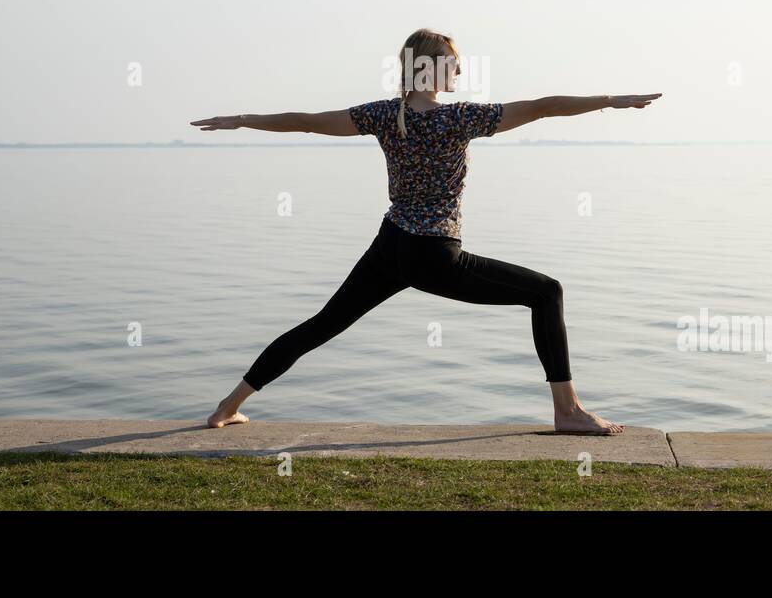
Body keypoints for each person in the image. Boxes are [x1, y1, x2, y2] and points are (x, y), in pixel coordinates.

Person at [190, 28, 661, 435]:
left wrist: (243, 119)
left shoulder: (380, 115)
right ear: (433, 69)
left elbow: (306, 123)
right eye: (454, 65)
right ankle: (569, 411)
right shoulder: (460, 118)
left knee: (322, 325)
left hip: (390, 245)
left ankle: (228, 407)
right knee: (546, 292)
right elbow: (542, 107)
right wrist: (608, 101)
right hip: (435, 253)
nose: (459, 72)